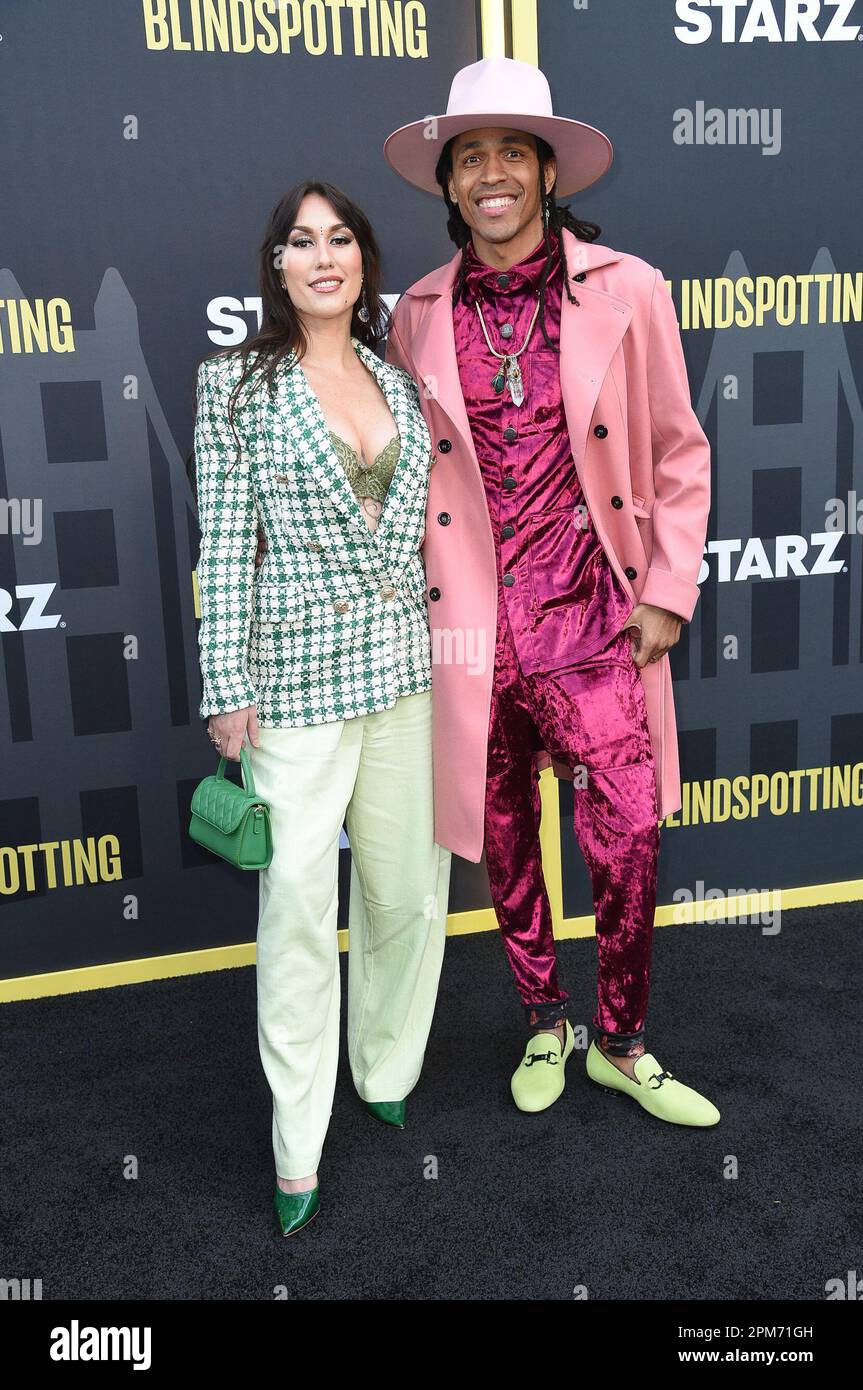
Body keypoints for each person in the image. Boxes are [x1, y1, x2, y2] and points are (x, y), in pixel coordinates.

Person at [381, 57, 719, 1125]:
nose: (488, 175)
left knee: (625, 835)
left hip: (592, 621)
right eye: (467, 158)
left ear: (542, 172)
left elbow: (676, 449)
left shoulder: (627, 289)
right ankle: (544, 1020)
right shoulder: (415, 314)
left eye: (508, 155)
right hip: (472, 634)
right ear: (447, 185)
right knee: (502, 844)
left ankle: (620, 1039)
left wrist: (663, 591)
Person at [192, 179, 452, 1236]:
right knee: (297, 913)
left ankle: (384, 1063)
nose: (321, 255)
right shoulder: (236, 384)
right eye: (300, 241)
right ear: (276, 267)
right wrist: (226, 689)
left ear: (362, 260)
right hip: (291, 684)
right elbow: (220, 539)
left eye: (339, 236)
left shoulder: (402, 377)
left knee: (402, 895)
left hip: (401, 676)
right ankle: (295, 1146)